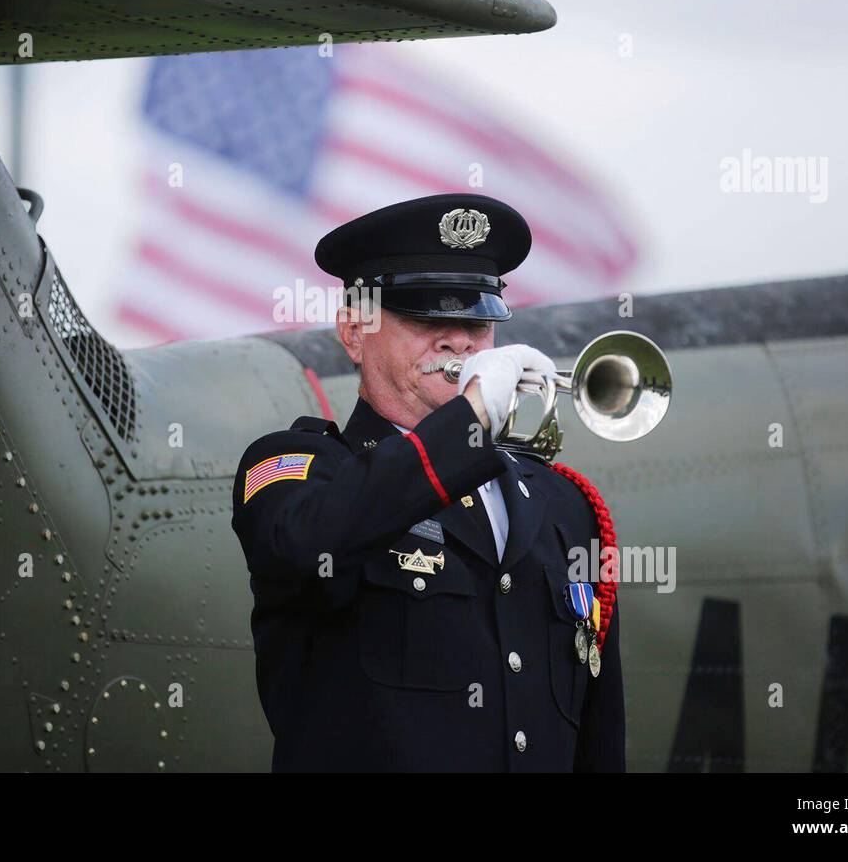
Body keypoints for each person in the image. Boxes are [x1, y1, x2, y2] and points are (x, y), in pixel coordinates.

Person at [231, 194, 624, 772]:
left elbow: (598, 737)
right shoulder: (298, 466)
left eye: (476, 318)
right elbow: (308, 543)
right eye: (425, 316)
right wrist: (469, 421)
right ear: (354, 330)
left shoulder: (562, 505)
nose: (459, 340)